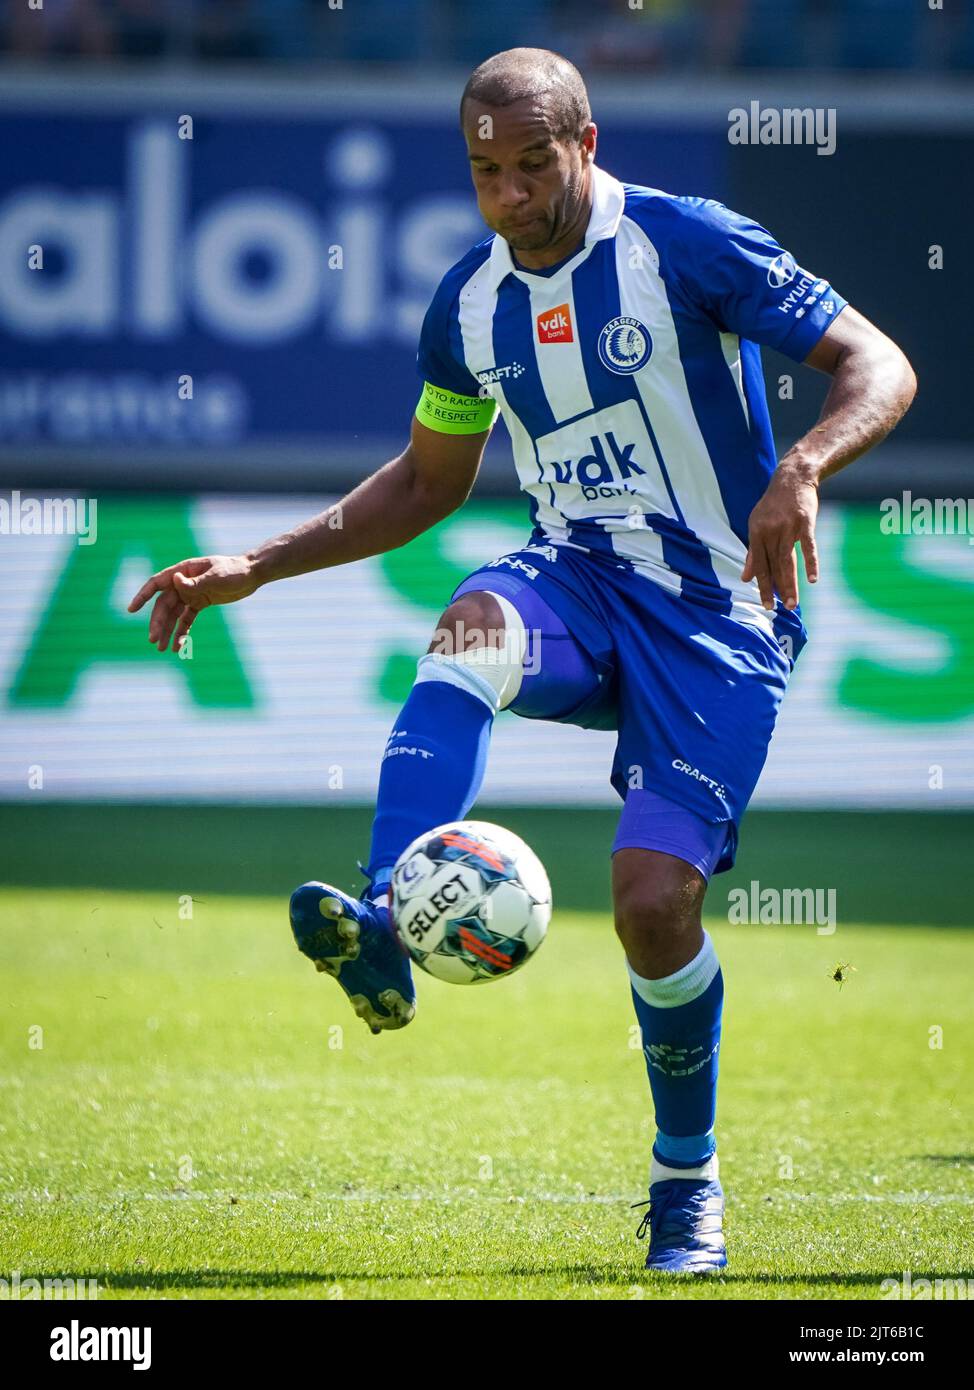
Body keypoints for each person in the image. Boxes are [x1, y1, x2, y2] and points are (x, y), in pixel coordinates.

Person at [129, 48, 916, 1273]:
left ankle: (684, 1180)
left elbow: (880, 363)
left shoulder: (687, 244)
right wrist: (253, 567)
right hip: (578, 577)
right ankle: (386, 908)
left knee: (653, 910)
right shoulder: (468, 306)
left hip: (718, 615)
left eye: (530, 165)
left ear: (585, 144)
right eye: (483, 172)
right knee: (465, 631)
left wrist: (800, 468)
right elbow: (425, 484)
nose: (506, 195)